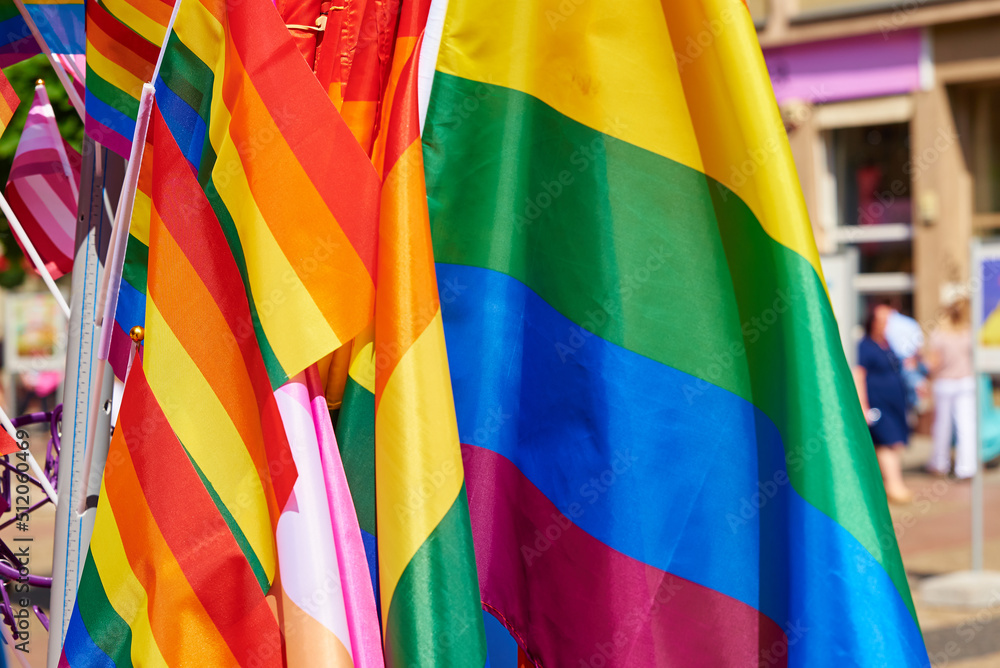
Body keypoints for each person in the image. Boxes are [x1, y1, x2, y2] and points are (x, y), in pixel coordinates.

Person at [854, 303, 913, 503]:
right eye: (883, 320)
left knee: (892, 442)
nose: (886, 324)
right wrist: (863, 405)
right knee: (887, 441)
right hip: (877, 404)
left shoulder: (889, 345)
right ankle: (894, 485)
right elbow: (859, 375)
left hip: (894, 403)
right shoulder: (865, 345)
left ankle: (883, 485)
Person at [926, 298, 976, 479]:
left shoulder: (940, 334)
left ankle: (940, 463)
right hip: (966, 382)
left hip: (945, 383)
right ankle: (967, 467)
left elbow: (934, 362)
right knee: (966, 426)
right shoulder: (969, 333)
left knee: (942, 426)